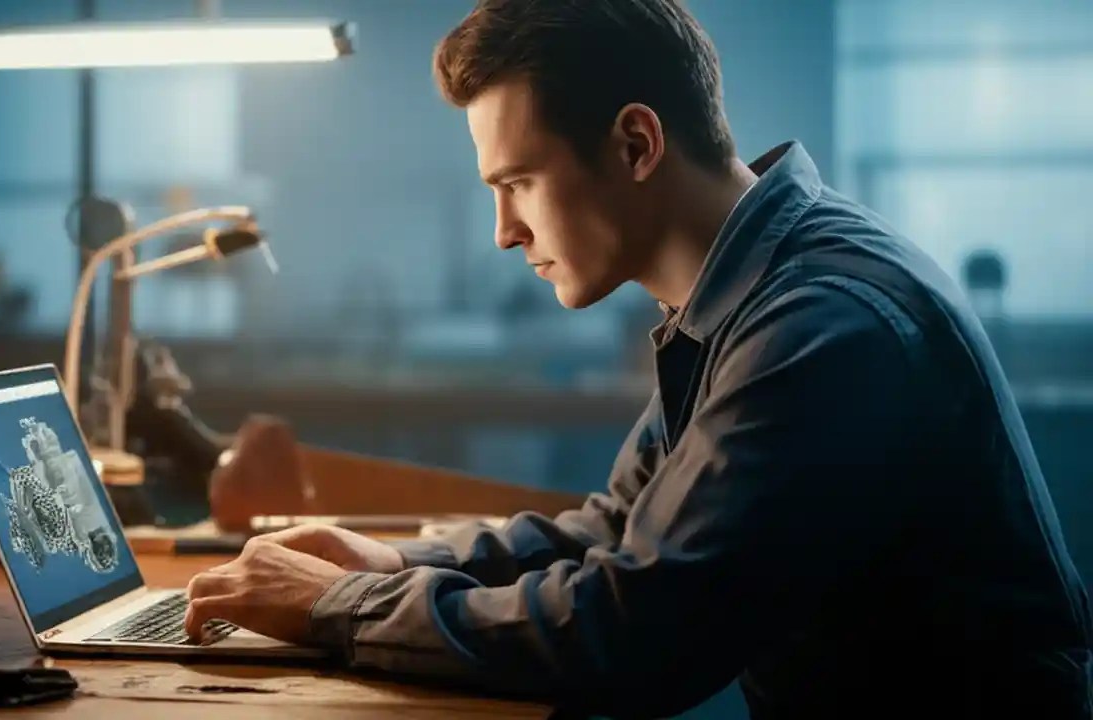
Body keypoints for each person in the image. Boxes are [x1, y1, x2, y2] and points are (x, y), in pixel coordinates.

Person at [182, 1, 1093, 716]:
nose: (505, 233)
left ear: (636, 143)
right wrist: (385, 563)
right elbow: (619, 534)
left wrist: (341, 607)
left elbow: (634, 635)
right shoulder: (747, 291)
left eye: (518, 184)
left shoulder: (820, 324)